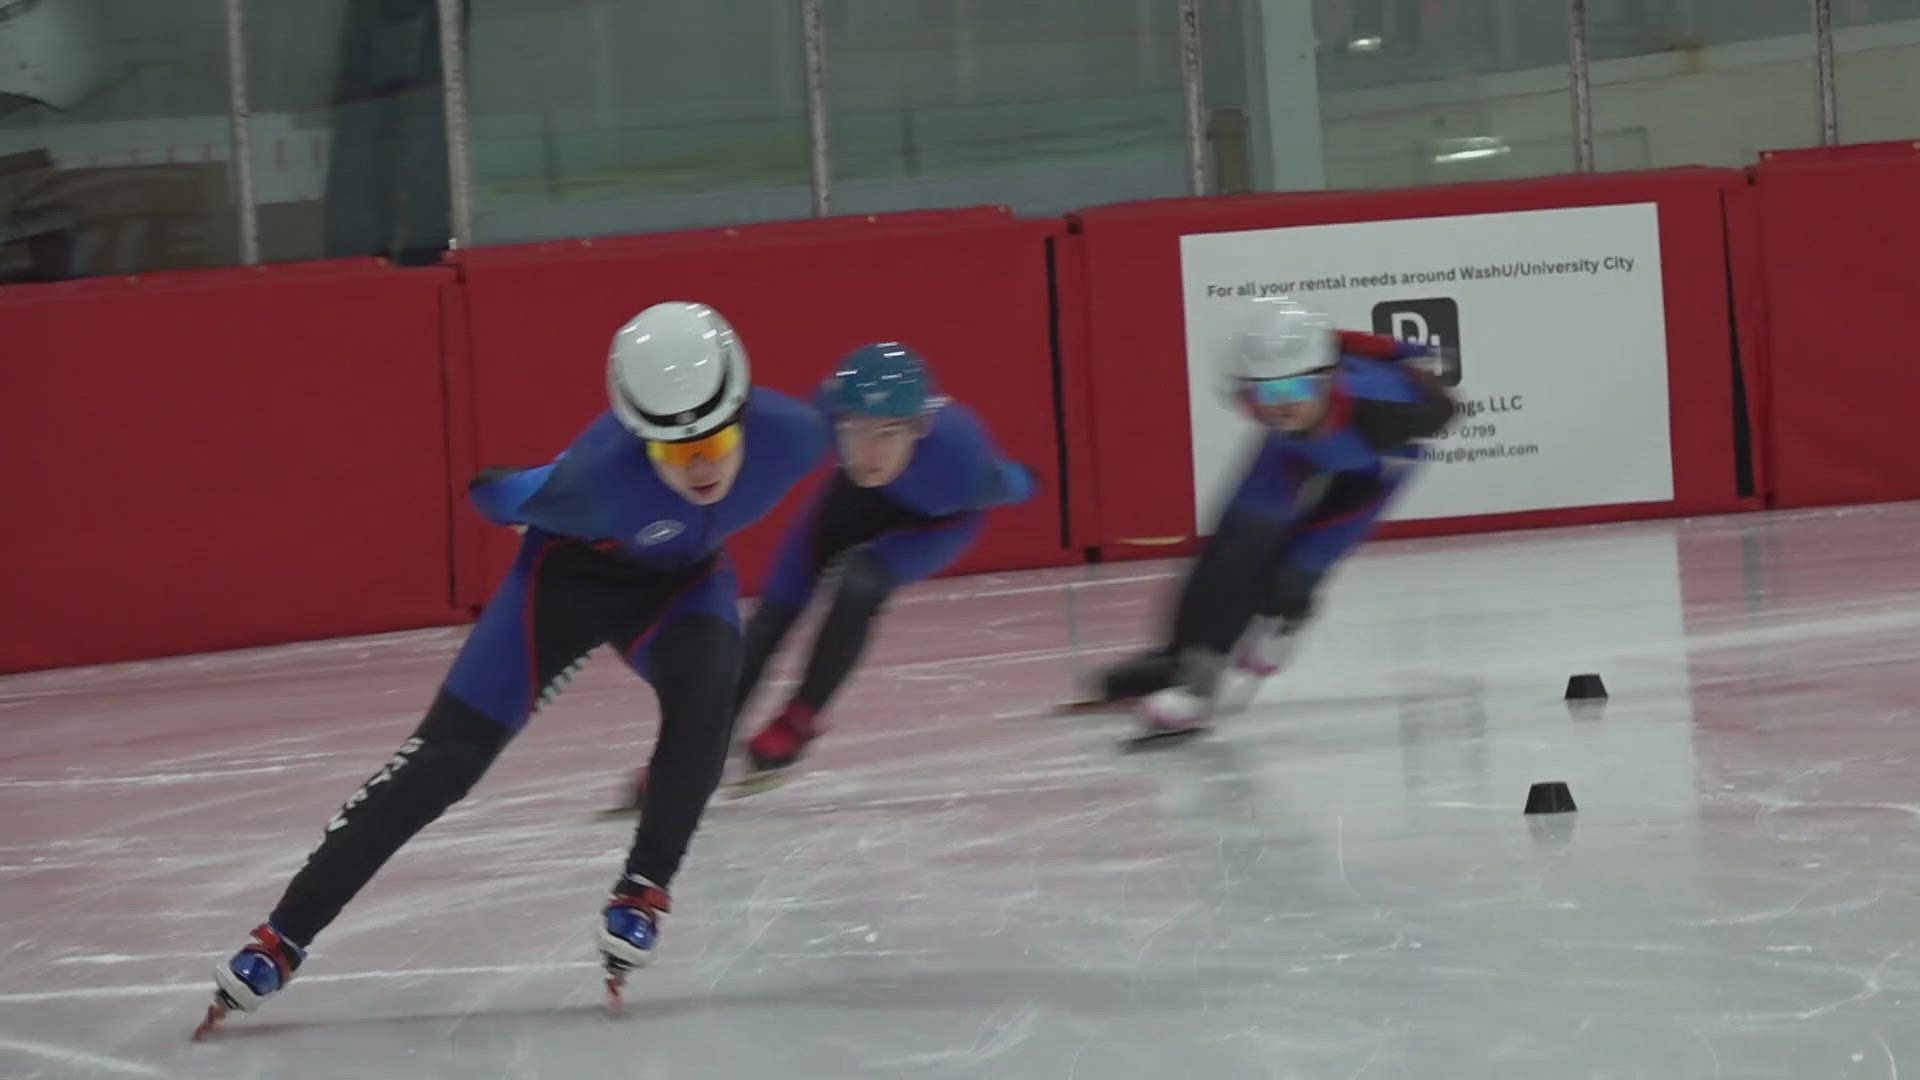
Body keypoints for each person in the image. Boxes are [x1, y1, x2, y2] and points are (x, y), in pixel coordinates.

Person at [194, 301, 829, 1035]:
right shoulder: (592, 480)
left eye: (714, 440)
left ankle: (644, 889)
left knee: (714, 676)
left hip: (683, 585)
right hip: (568, 583)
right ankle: (280, 938)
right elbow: (490, 491)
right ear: (636, 436)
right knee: (446, 762)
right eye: (668, 450)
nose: (699, 466)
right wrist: (537, 484)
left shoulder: (795, 435)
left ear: (742, 409)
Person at [1096, 296, 1457, 747]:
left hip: (1372, 470)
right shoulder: (1286, 413)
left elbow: (1442, 408)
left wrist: (1290, 600)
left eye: (1296, 391)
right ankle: (1189, 673)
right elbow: (1330, 345)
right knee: (1232, 547)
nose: (1281, 406)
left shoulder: (1386, 411)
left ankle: (1287, 617)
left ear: (1328, 381)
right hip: (1293, 452)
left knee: (1293, 572)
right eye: (1266, 394)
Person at [729, 343, 1035, 790]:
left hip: (937, 522)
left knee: (859, 585)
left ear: (920, 427)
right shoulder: (824, 416)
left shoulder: (963, 459)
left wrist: (1030, 480)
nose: (867, 450)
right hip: (860, 497)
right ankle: (698, 741)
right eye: (854, 431)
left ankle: (801, 717)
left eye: (887, 434)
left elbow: (1013, 483)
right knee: (773, 613)